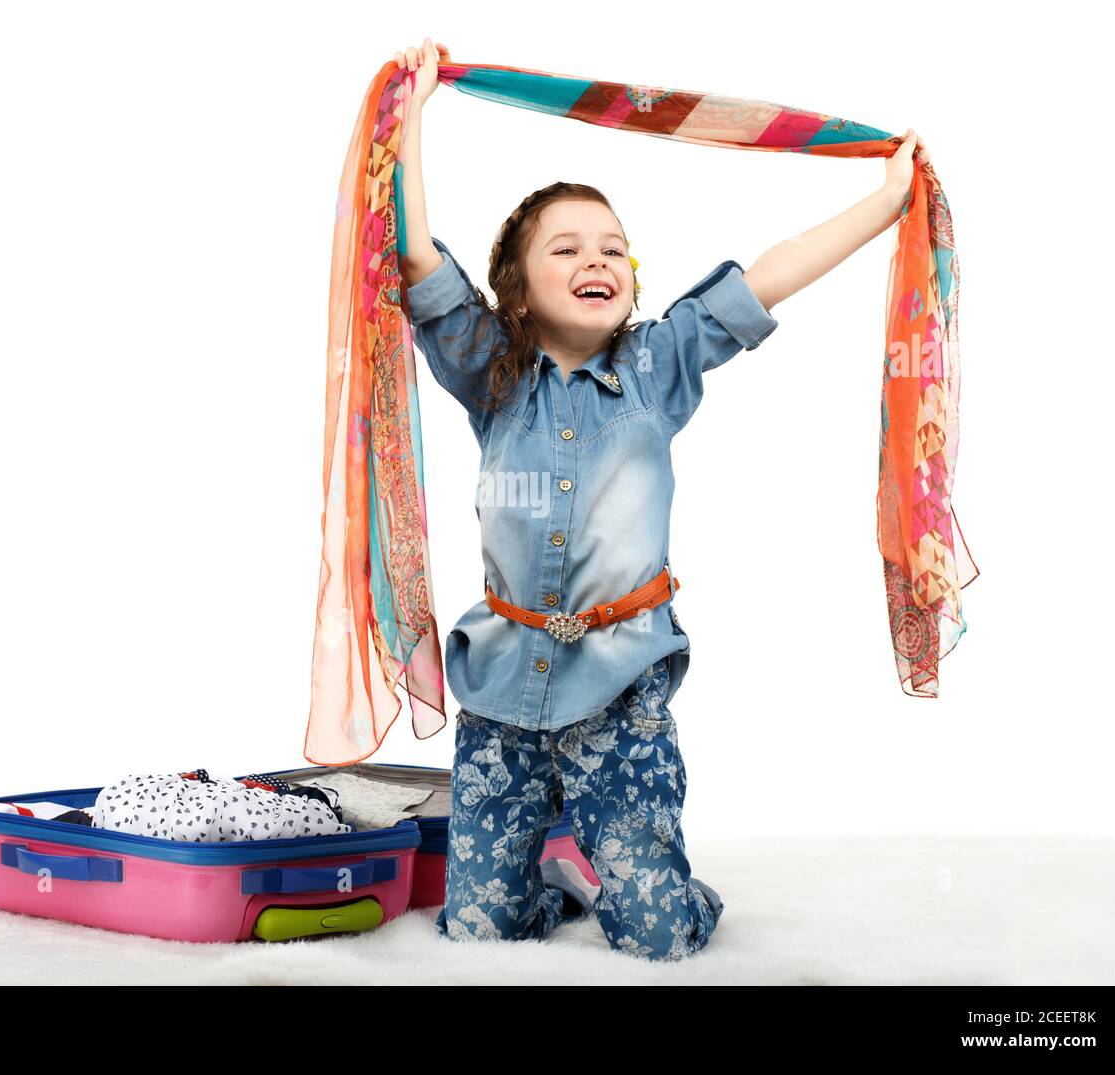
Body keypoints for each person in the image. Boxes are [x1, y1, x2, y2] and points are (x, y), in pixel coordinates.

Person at [393, 38, 930, 961]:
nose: (597, 258)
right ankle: (552, 882)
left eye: (614, 247)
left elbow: (771, 271)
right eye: (567, 247)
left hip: (620, 686)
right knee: (479, 928)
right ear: (516, 292)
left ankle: (669, 890)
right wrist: (410, 114)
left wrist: (884, 203)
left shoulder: (657, 365)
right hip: (503, 688)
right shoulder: (492, 372)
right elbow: (413, 258)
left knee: (654, 935)